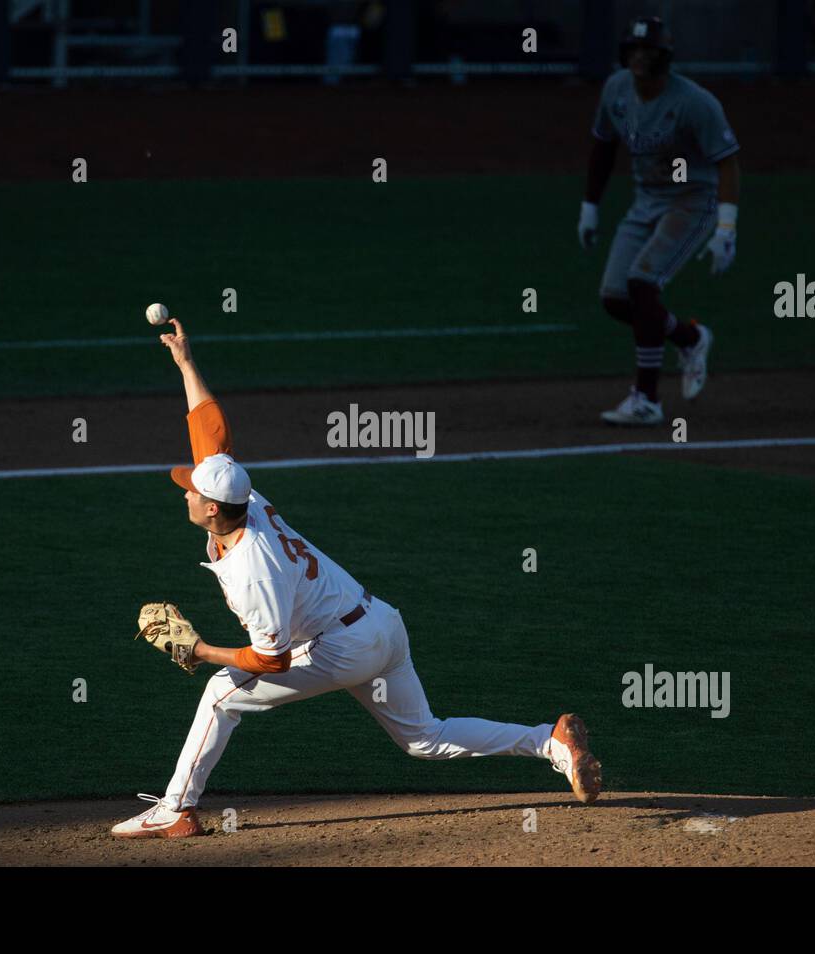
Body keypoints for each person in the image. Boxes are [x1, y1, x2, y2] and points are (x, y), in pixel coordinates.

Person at [111, 318, 603, 838]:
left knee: (218, 694)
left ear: (212, 509)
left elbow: (272, 659)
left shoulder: (253, 569)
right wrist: (187, 363)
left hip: (340, 647)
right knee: (423, 739)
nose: (183, 490)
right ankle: (550, 741)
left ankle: (176, 810)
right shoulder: (244, 501)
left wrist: (202, 649)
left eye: (190, 489)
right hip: (381, 625)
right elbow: (212, 436)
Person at [578, 15, 741, 426]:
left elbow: (727, 163)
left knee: (642, 283)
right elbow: (602, 146)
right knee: (616, 298)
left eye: (647, 50)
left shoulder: (694, 102)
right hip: (646, 201)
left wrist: (725, 229)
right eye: (633, 50)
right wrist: (590, 205)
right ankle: (690, 338)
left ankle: (647, 400)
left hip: (692, 200)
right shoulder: (616, 90)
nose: (639, 58)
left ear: (664, 56)